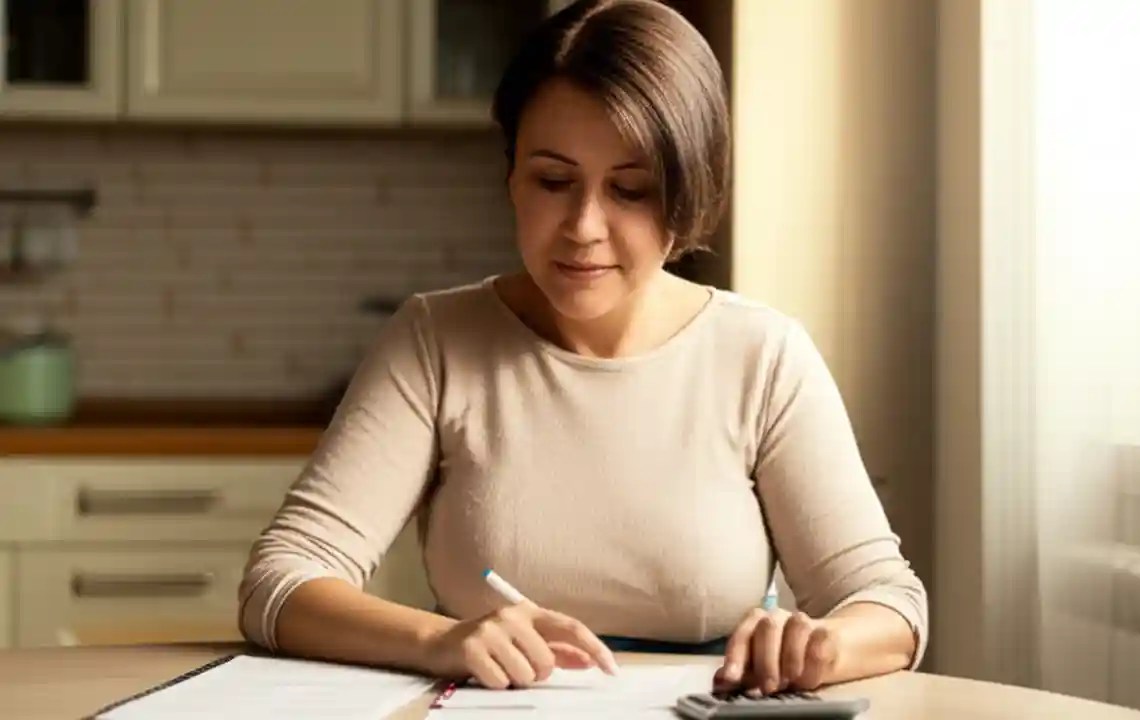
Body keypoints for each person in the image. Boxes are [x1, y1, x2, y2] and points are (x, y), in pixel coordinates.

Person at [238, 0, 926, 696]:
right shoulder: (436, 342)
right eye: (553, 181)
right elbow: (282, 579)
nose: (584, 226)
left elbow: (889, 604)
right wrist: (441, 640)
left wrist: (820, 645)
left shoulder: (764, 357)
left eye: (631, 190)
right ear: (511, 178)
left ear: (690, 194)